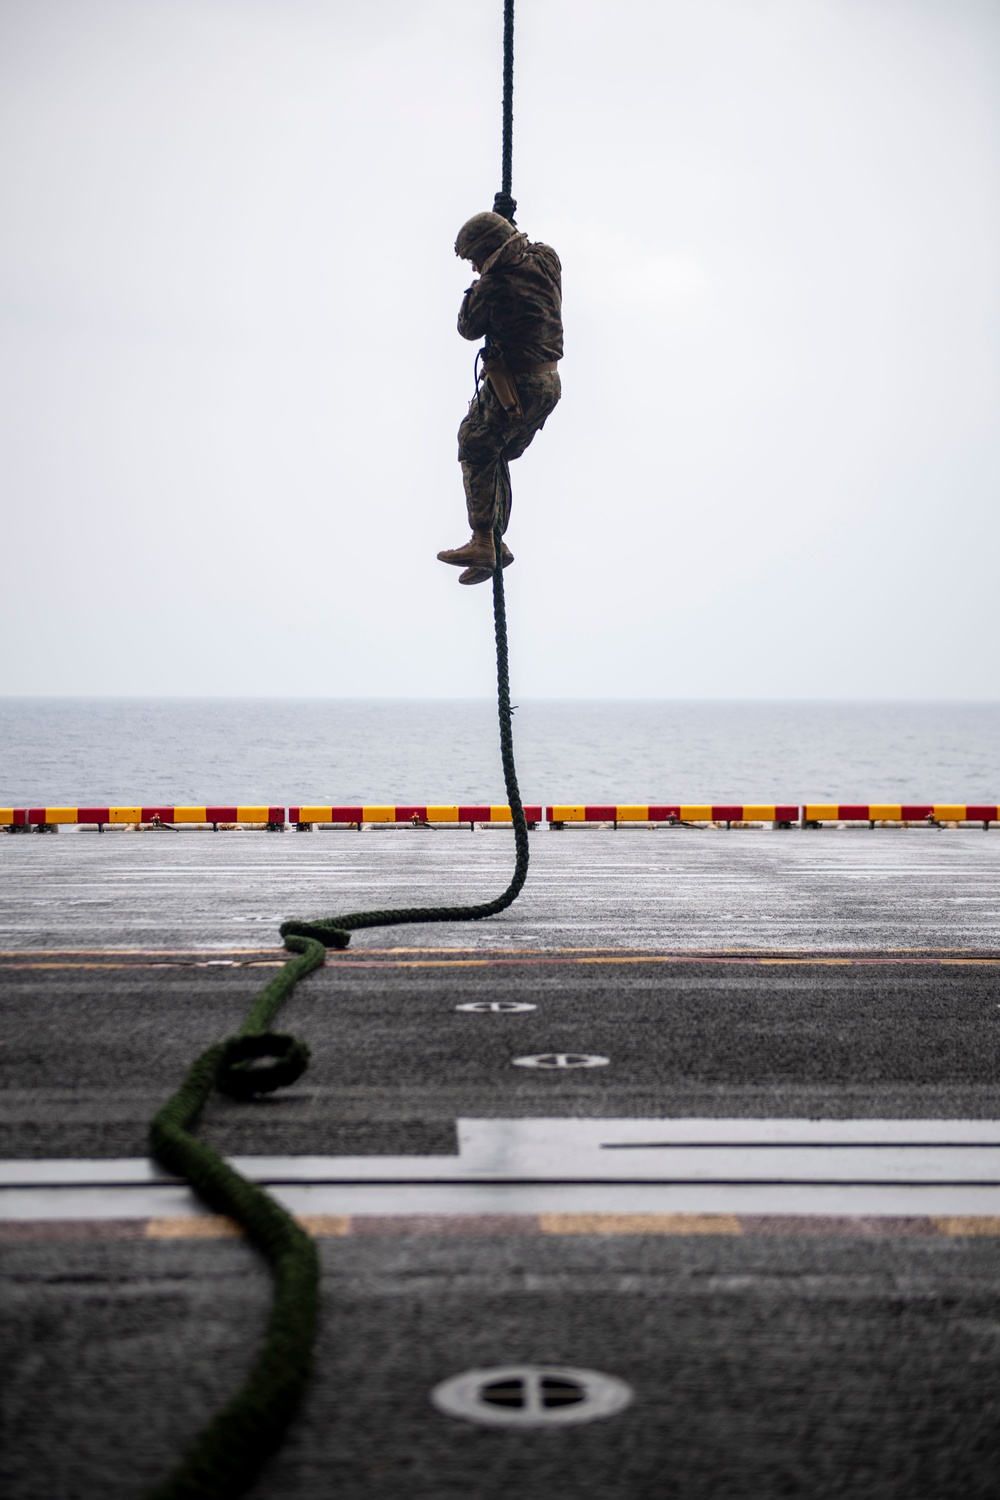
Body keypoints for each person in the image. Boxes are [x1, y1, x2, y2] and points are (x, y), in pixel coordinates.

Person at [437, 211, 563, 585]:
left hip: (517, 386)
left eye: (476, 259)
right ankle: (493, 542)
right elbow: (526, 247)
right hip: (547, 384)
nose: (475, 267)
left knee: (475, 444)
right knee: (496, 451)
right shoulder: (547, 259)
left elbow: (467, 328)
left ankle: (483, 540)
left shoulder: (492, 288)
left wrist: (479, 285)